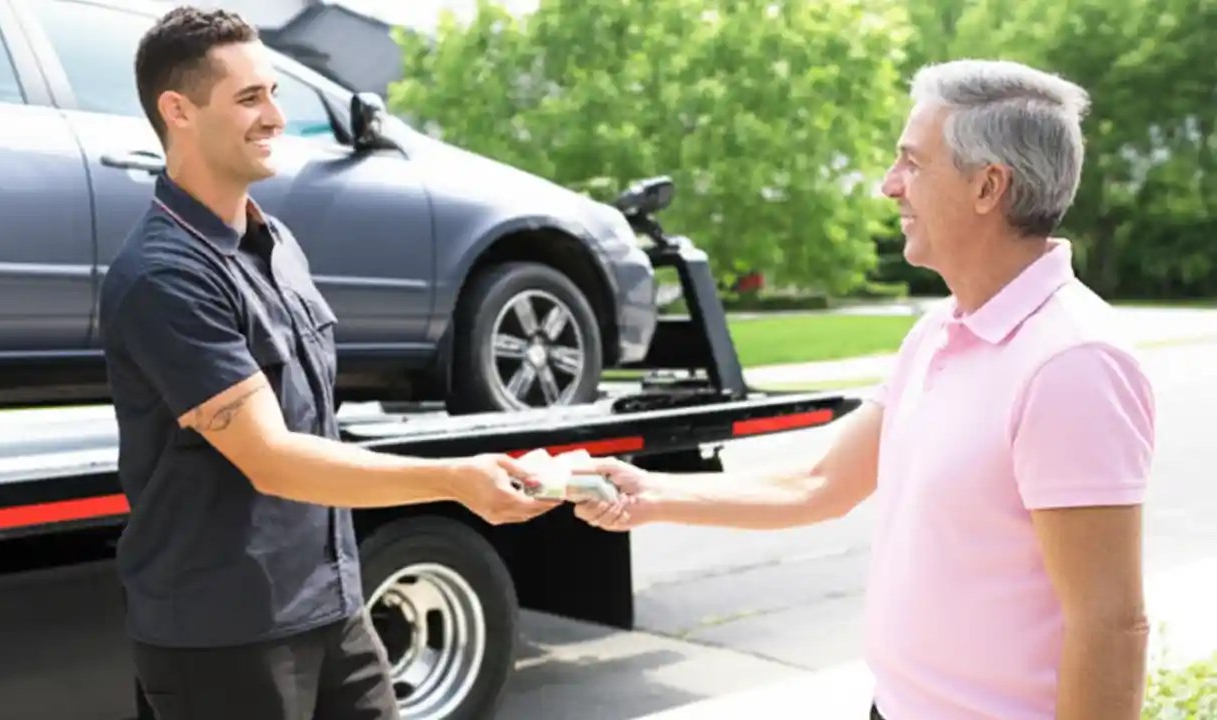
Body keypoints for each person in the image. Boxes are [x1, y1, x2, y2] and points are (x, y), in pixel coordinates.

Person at [575, 59, 1155, 720]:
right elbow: (819, 484)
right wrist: (649, 493)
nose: (889, 185)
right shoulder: (940, 331)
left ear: (988, 186)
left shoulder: (1073, 363)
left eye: (912, 163)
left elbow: (1110, 625)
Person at [97, 7, 558, 719]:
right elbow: (272, 458)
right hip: (225, 635)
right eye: (249, 97)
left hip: (332, 607)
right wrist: (453, 480)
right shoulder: (166, 275)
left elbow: (315, 426)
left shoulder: (276, 242)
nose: (276, 116)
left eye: (275, 93)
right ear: (178, 111)